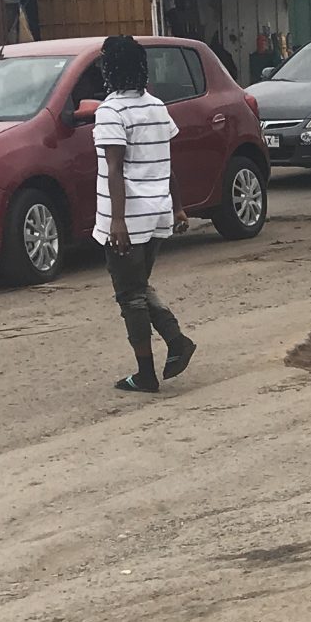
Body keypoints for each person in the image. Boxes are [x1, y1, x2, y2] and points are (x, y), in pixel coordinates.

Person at [92, 35, 193, 394]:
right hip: (156, 215)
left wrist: (117, 221)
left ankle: (147, 372)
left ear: (109, 69)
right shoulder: (156, 106)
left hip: (125, 220)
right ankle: (176, 341)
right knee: (138, 286)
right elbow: (167, 163)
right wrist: (178, 207)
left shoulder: (110, 112)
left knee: (130, 296)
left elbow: (114, 169)